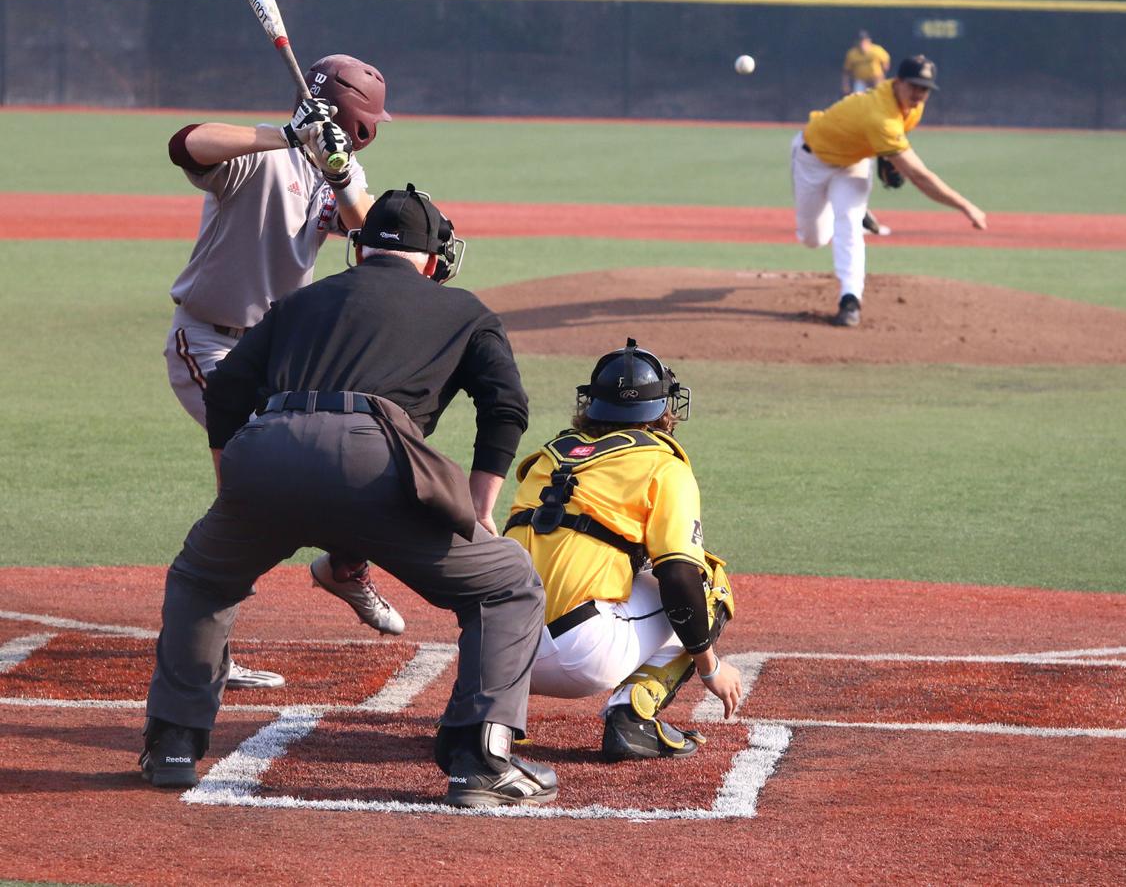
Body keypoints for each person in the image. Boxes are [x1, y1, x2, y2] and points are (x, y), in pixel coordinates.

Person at [139, 185, 557, 808]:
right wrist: (481, 507)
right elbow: (505, 407)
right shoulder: (464, 310)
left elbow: (226, 389)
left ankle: (173, 746)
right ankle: (479, 762)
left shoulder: (299, 301)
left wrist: (234, 485)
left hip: (268, 448)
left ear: (358, 251)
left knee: (202, 579)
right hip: (376, 458)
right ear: (436, 258)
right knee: (507, 585)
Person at [164, 54, 403, 689]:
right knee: (252, 489)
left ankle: (344, 565)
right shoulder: (259, 156)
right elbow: (186, 144)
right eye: (368, 122)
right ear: (359, 118)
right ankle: (208, 654)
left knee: (348, 449)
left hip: (281, 358)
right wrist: (285, 136)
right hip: (211, 345)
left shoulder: (335, 162)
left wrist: (341, 169)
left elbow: (372, 233)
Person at [504, 339, 742, 761]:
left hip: (495, 656)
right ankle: (633, 711)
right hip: (579, 656)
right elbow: (679, 578)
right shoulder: (662, 465)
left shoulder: (545, 459)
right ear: (663, 411)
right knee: (707, 581)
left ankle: (495, 717)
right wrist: (711, 667)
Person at [791, 54, 988, 328]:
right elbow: (919, 177)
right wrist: (966, 206)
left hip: (853, 164)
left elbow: (896, 134)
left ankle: (850, 300)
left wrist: (886, 154)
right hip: (812, 159)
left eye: (925, 88)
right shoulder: (879, 115)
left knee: (848, 222)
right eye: (914, 86)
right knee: (813, 239)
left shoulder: (912, 106)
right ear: (898, 83)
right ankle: (853, 213)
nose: (919, 94)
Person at [841, 29, 890, 95]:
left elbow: (886, 62)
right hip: (860, 81)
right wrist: (846, 86)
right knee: (858, 97)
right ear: (856, 42)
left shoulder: (877, 50)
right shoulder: (852, 54)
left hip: (875, 80)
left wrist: (882, 76)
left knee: (878, 96)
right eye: (860, 41)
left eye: (864, 41)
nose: (862, 44)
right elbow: (846, 71)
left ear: (869, 41)